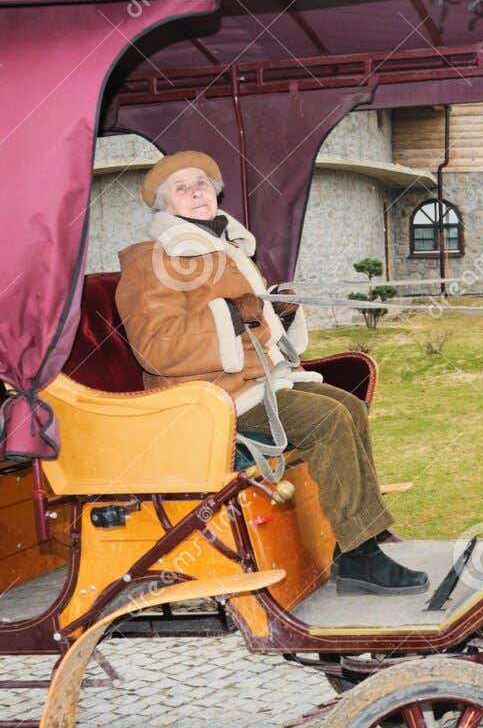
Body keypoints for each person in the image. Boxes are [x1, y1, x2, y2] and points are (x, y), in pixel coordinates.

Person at [114, 150, 427, 595]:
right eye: (181, 188)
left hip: (252, 385)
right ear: (164, 208)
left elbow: (254, 326)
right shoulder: (152, 262)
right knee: (328, 419)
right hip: (204, 401)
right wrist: (231, 316)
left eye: (201, 183)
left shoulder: (224, 249)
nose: (196, 192)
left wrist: (277, 311)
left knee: (349, 407)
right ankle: (362, 557)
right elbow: (156, 349)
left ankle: (354, 543)